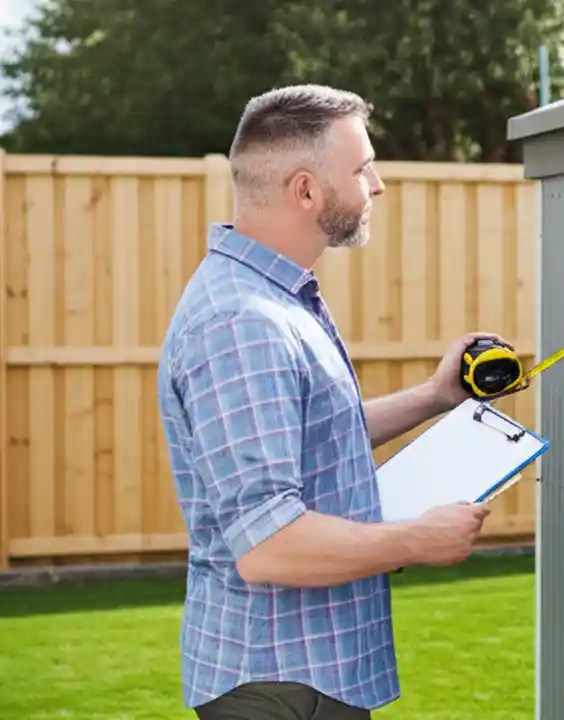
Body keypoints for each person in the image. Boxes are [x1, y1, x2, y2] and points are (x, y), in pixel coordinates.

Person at [157, 84, 503, 719]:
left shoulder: (277, 300)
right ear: (306, 191)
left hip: (308, 675)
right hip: (279, 682)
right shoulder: (241, 323)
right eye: (362, 167)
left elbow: (312, 440)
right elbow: (270, 546)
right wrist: (416, 540)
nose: (377, 185)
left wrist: (434, 397)